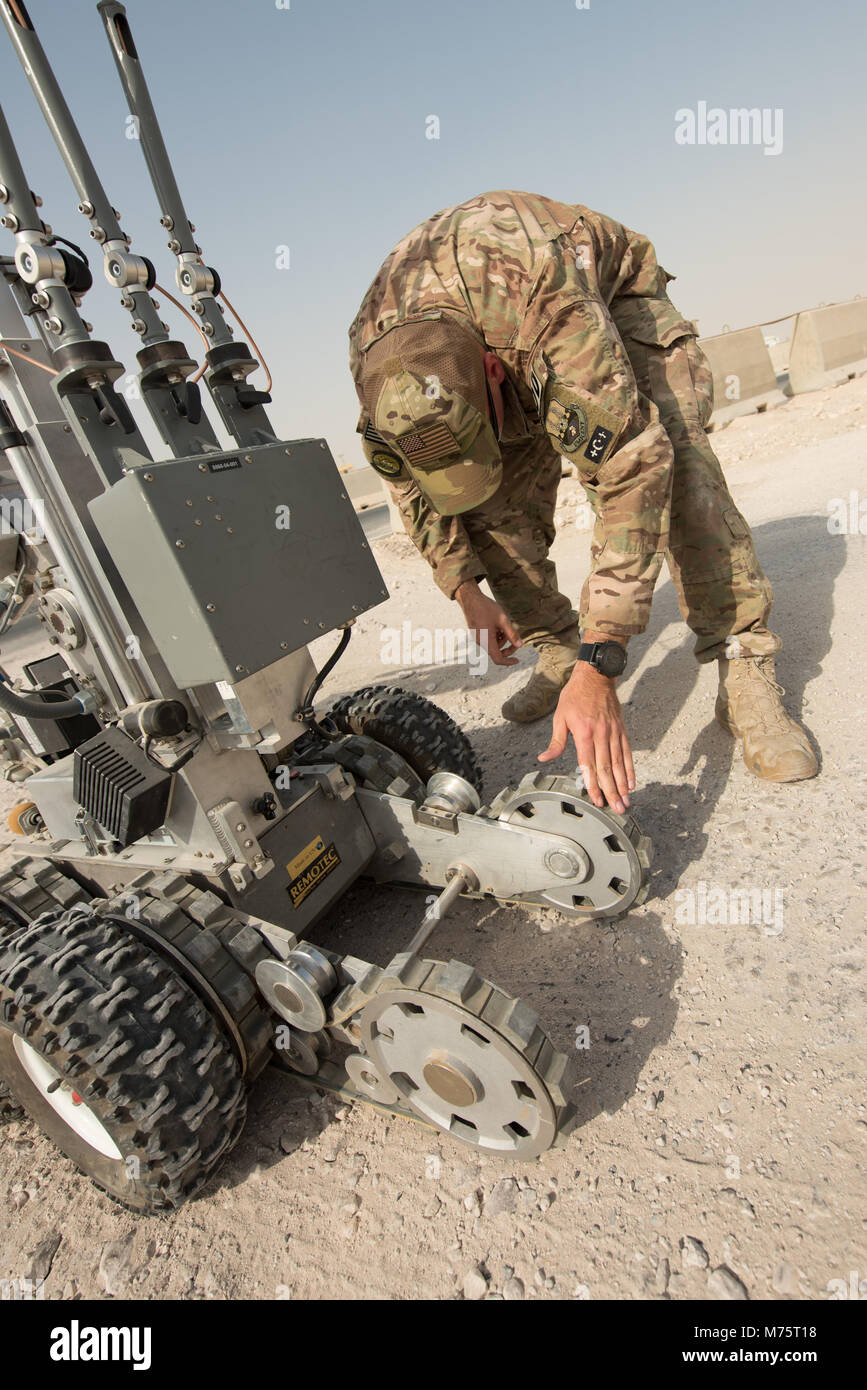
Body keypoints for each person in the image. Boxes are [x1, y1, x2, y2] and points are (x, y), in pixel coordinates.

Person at [349, 191, 817, 817]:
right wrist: (464, 588)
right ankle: (554, 646)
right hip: (486, 336)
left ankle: (743, 662)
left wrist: (603, 661)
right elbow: (414, 488)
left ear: (493, 374)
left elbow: (632, 463)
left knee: (679, 467)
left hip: (602, 297)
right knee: (489, 512)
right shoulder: (378, 368)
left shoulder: (545, 302)